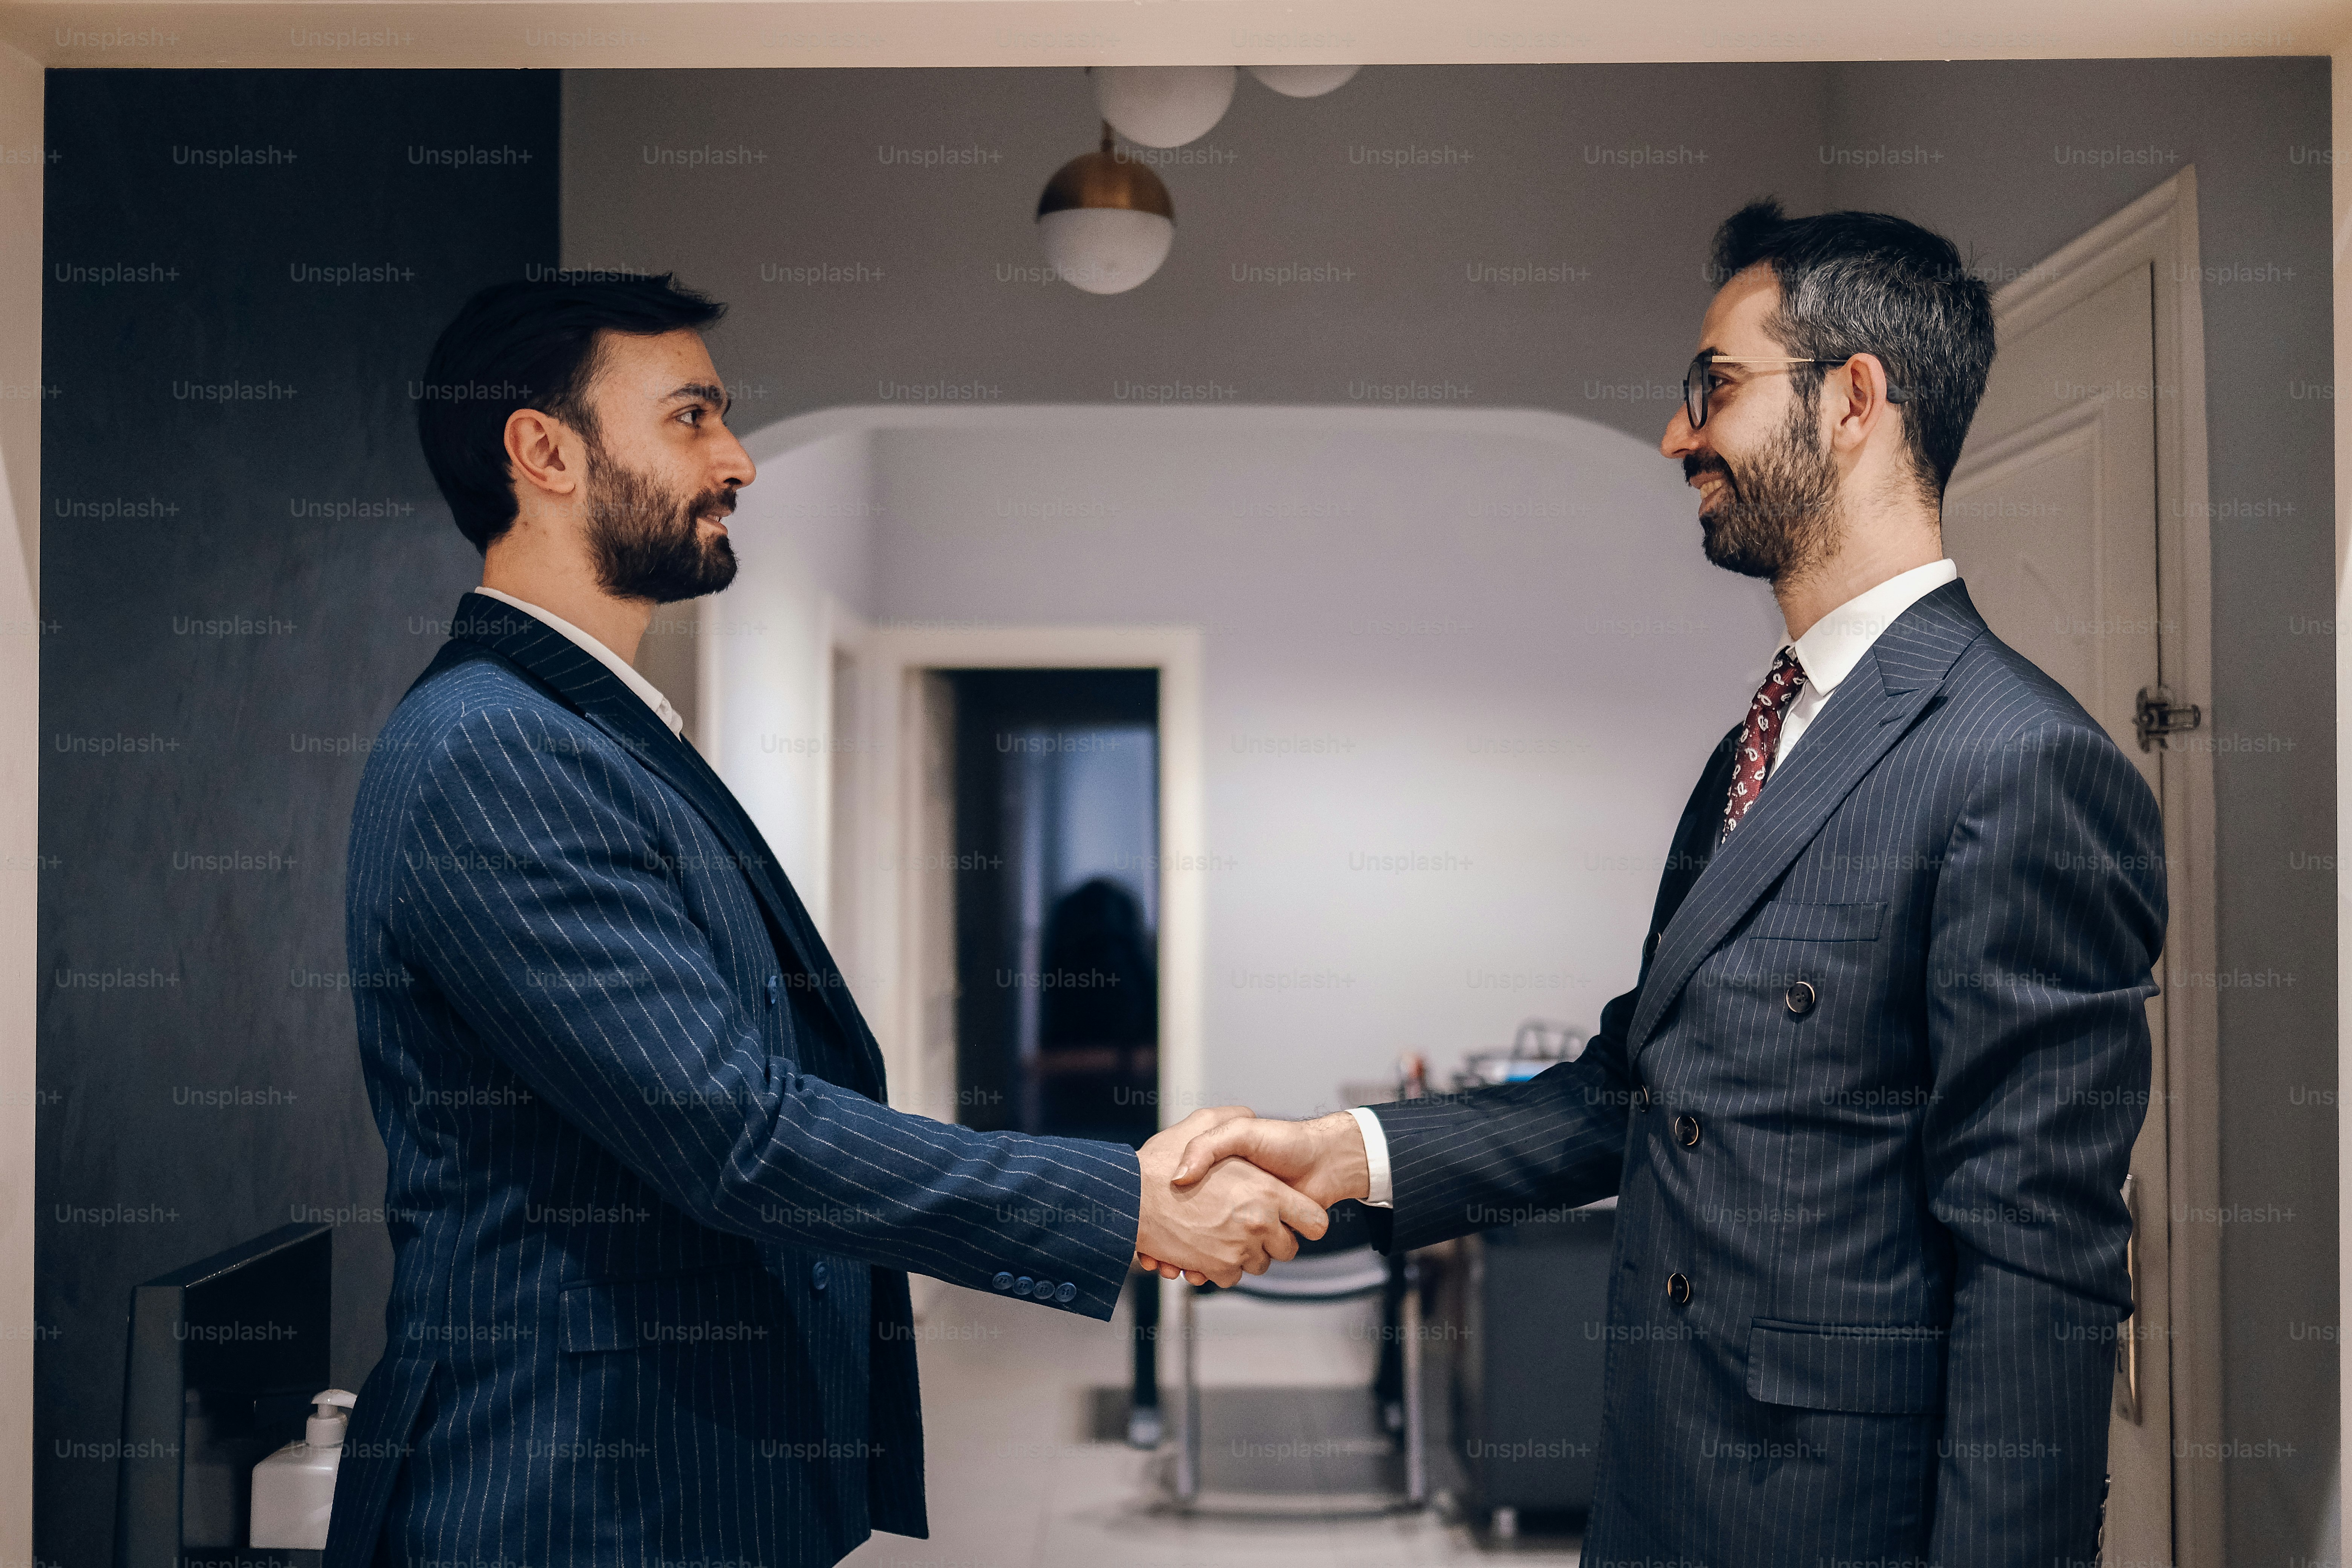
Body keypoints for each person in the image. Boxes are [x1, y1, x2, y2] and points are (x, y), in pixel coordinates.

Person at [1147, 201, 2167, 1567]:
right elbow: (1626, 1093)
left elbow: (2037, 1280)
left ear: (1855, 399)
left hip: (1833, 1525)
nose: (1680, 435)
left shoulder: (2023, 762)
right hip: (1658, 1492)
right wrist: (1338, 1153)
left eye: (1716, 387)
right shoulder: (1757, 742)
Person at [325, 274, 1322, 1568]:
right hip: (566, 1490)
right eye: (690, 418)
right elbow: (736, 1132)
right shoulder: (495, 751)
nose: (736, 459)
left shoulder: (586, 728)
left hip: (672, 1473)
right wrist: (1120, 1204)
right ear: (542, 452)